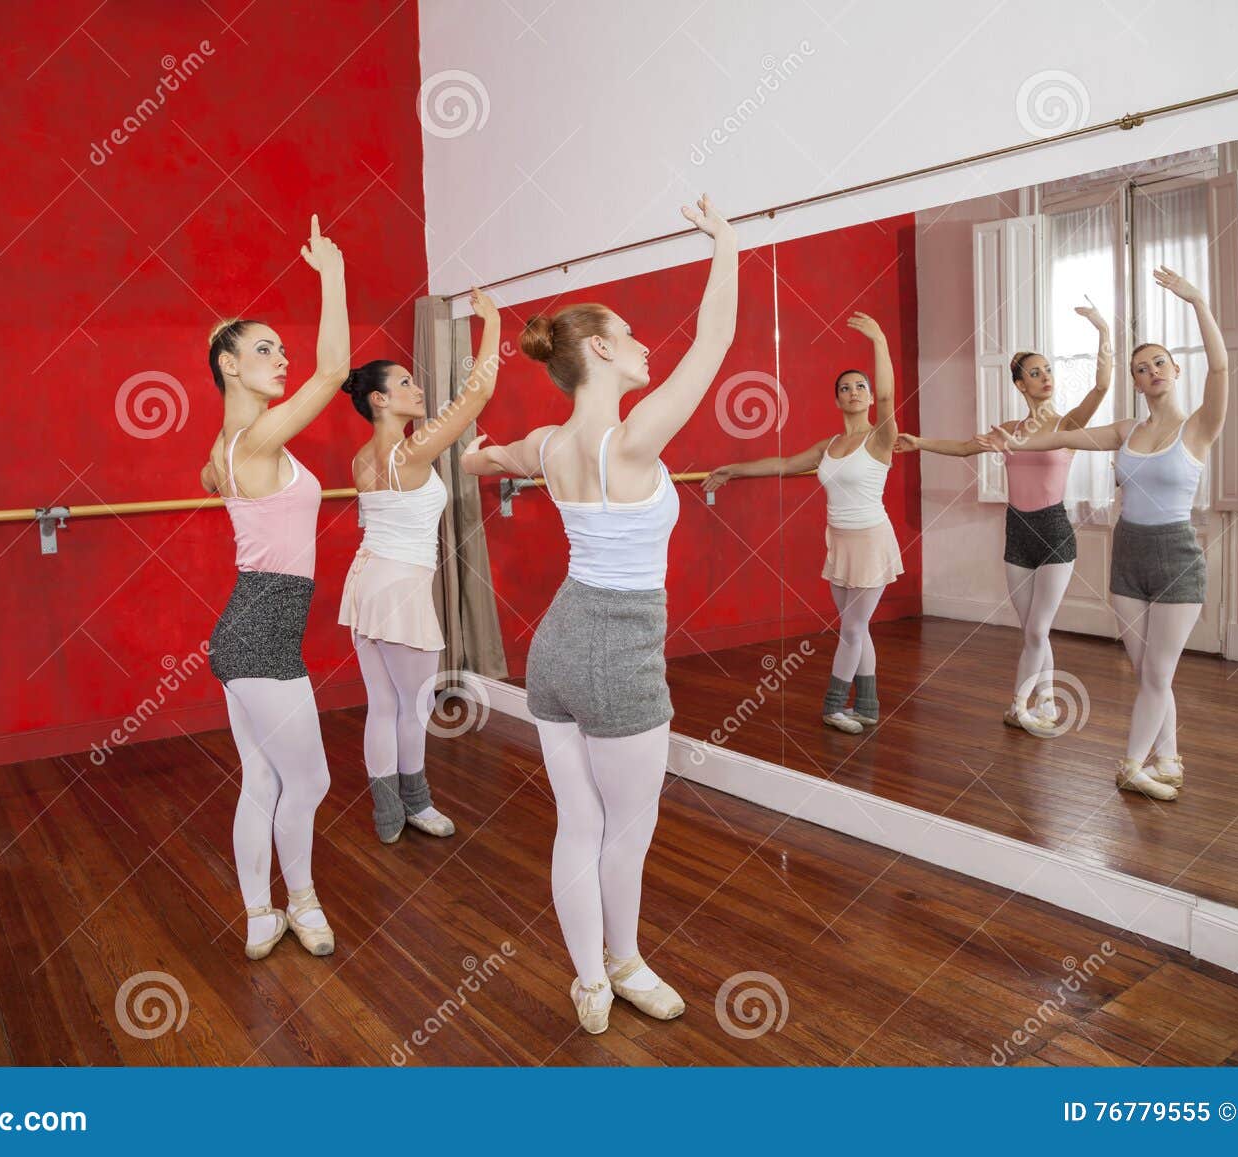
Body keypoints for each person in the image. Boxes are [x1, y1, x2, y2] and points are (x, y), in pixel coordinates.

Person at [461, 195, 737, 1033]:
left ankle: (590, 979)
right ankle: (624, 963)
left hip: (556, 644)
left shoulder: (547, 444)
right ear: (603, 351)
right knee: (628, 829)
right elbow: (715, 342)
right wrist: (725, 243)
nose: (649, 344)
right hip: (617, 652)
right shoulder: (633, 440)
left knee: (579, 824)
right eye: (633, 332)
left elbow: (474, 455)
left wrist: (469, 415)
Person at [978, 268, 1225, 801]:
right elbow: (1062, 434)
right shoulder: (1125, 432)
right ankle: (1169, 759)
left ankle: (1132, 764)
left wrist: (1198, 302)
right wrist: (1009, 442)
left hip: (1178, 555)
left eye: (1159, 361)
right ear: (1135, 382)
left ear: (1176, 369)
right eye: (1141, 368)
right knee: (1146, 672)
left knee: (1157, 673)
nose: (1151, 370)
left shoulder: (1199, 426)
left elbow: (1222, 367)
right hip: (1127, 556)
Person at [199, 215, 347, 958]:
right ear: (228, 365)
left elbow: (214, 479)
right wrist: (334, 273)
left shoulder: (229, 447)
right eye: (263, 349)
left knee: (263, 775)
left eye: (281, 350)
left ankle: (263, 911)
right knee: (311, 780)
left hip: (247, 627)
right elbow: (333, 371)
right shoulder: (252, 441)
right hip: (259, 632)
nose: (282, 358)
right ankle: (303, 901)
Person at [895, 298, 1111, 731]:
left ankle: (1019, 705)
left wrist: (1103, 330)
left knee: (1035, 630)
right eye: (1034, 373)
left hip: (1054, 531)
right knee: (1034, 629)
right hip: (1017, 530)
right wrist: (918, 442)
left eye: (1047, 370)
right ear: (1020, 384)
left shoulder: (1067, 425)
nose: (1045, 377)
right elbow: (962, 449)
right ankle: (1048, 703)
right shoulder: (1009, 432)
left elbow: (1102, 387)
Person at [338, 287, 503, 842]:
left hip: (367, 581)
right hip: (400, 587)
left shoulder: (362, 458)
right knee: (410, 707)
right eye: (405, 382)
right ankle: (416, 804)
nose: (417, 387)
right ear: (379, 400)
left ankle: (390, 815)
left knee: (384, 707)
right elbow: (477, 392)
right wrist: (493, 324)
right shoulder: (409, 451)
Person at [704, 314, 903, 733]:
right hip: (840, 541)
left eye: (860, 387)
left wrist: (880, 340)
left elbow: (888, 399)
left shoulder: (881, 436)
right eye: (845, 388)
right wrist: (733, 470)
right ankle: (867, 705)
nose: (853, 392)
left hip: (870, 542)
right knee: (858, 628)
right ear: (837, 400)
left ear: (869, 398)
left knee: (850, 630)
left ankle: (833, 706)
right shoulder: (828, 446)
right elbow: (782, 464)